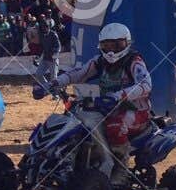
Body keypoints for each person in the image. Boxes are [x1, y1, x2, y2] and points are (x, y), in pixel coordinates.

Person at [55, 21, 153, 160]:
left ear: (126, 43)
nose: (111, 51)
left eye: (116, 45)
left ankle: (120, 167)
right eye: (106, 46)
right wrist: (57, 81)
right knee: (76, 124)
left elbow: (145, 85)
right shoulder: (100, 61)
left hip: (136, 111)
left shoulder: (134, 61)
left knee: (115, 126)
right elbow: (79, 73)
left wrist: (119, 95)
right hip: (107, 109)